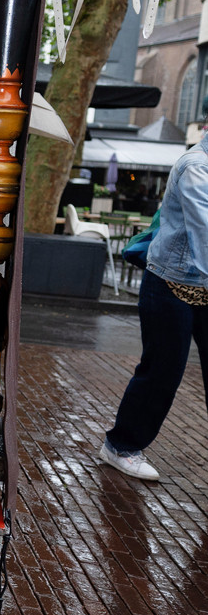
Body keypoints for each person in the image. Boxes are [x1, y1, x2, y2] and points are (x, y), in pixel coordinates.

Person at [99, 136, 208, 480]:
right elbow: (205, 235)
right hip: (169, 283)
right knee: (162, 371)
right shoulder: (197, 168)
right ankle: (120, 447)